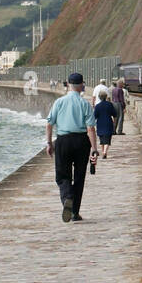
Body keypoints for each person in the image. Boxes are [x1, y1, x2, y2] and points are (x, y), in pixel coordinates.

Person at [45, 72, 98, 222]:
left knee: (63, 176)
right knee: (79, 177)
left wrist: (49, 143)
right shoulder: (85, 104)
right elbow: (91, 129)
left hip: (63, 141)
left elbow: (49, 124)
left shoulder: (59, 102)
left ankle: (67, 197)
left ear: (68, 84)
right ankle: (75, 212)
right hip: (81, 142)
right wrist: (94, 148)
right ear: (82, 86)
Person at [94, 90, 116, 158]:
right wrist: (114, 123)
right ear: (106, 97)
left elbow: (94, 116)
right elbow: (115, 114)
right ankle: (105, 152)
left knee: (102, 139)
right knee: (108, 139)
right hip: (108, 123)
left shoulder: (97, 106)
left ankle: (103, 151)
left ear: (99, 97)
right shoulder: (110, 104)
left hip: (100, 123)